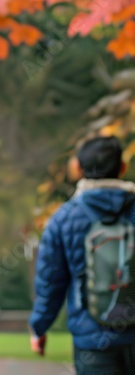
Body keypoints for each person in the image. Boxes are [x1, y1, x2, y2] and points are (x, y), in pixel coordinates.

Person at [30, 136, 135, 374]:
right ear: (122, 167)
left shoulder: (63, 218)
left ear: (77, 168)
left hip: (93, 339)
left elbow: (50, 283)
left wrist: (39, 327)